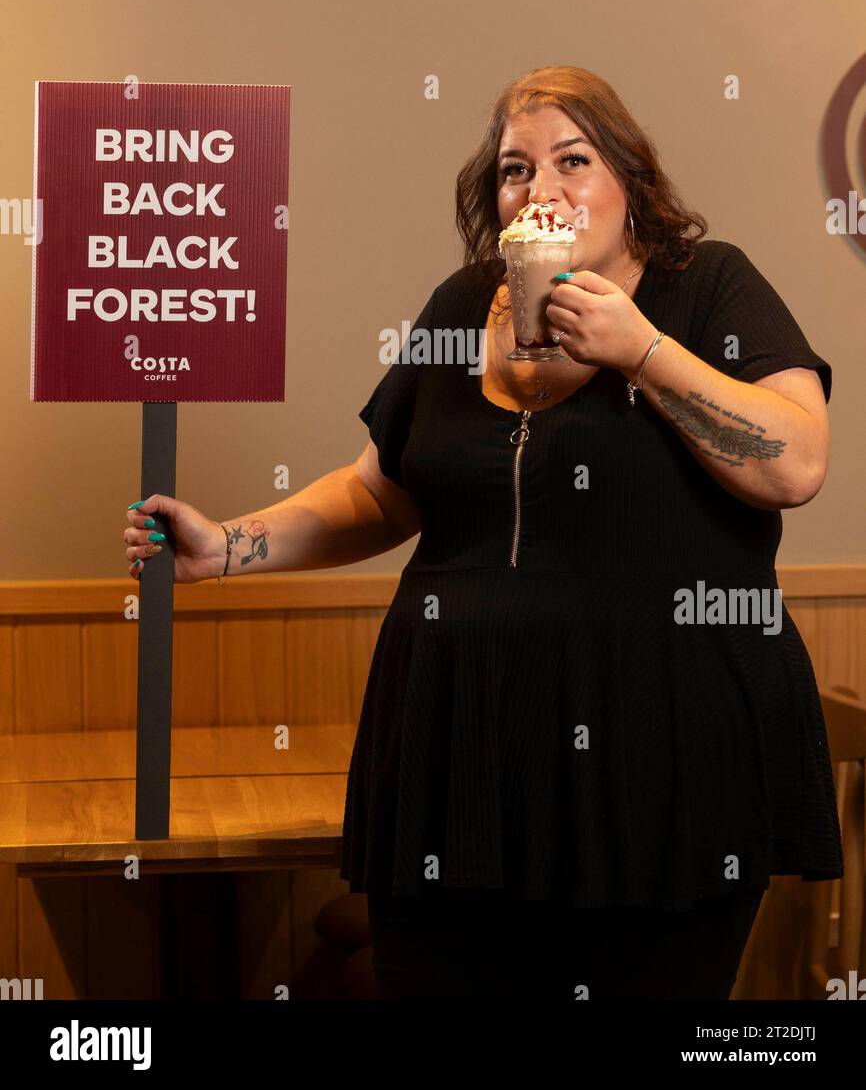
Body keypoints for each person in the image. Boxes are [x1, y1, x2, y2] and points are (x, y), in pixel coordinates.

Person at [123, 66, 843, 1001]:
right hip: (455, 744)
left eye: (574, 161)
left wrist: (642, 352)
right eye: (515, 169)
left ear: (633, 183)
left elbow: (794, 465)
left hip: (662, 758)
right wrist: (227, 547)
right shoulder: (463, 307)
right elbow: (381, 494)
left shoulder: (707, 288)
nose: (542, 188)